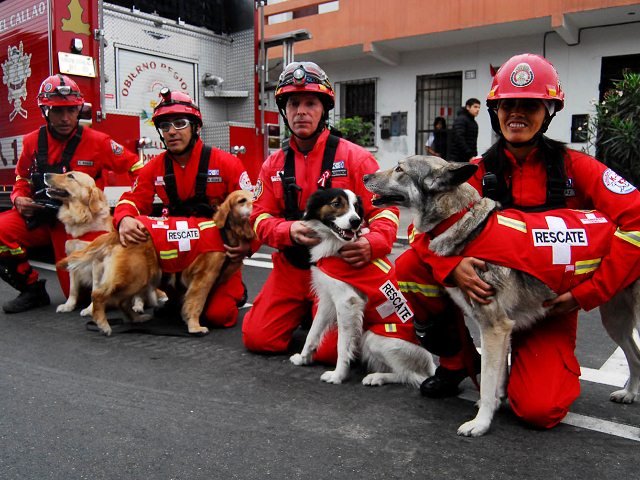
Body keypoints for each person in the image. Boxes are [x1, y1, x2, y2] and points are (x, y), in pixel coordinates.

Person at [395, 53, 640, 429]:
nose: (517, 114)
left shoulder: (579, 168)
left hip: (553, 303)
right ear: (495, 112)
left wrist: (590, 292)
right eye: (508, 105)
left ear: (549, 112)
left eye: (530, 105)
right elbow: (421, 229)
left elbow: (636, 219)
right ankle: (457, 362)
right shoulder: (474, 172)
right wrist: (451, 266)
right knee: (411, 267)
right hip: (493, 296)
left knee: (539, 410)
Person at [242, 61, 399, 362]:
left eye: (310, 103)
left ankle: (320, 318)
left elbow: (386, 211)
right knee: (258, 338)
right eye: (294, 103)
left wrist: (372, 243)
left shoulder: (356, 158)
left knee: (328, 354)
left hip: (338, 270)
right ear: (285, 111)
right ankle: (303, 312)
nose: (301, 111)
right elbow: (258, 217)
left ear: (323, 109)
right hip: (291, 268)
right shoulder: (272, 165)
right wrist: (286, 231)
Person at [0, 74, 143, 313]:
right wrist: (19, 199)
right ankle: (32, 289)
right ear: (45, 111)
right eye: (57, 111)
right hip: (42, 218)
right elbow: (22, 178)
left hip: (80, 224)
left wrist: (131, 207)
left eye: (71, 110)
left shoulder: (98, 141)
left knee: (79, 294)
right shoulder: (31, 142)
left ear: (79, 110)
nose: (65, 118)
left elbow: (138, 169)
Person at [113, 88, 255, 328]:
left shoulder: (227, 163)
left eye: (179, 123)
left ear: (195, 127)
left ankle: (233, 289)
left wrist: (248, 246)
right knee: (169, 312)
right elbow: (132, 199)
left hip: (217, 257)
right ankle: (178, 293)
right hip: (178, 254)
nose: (171, 132)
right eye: (165, 126)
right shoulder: (154, 168)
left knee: (219, 316)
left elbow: (255, 208)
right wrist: (124, 219)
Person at [447, 97, 480, 162]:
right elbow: (459, 138)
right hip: (458, 158)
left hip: (468, 158)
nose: (478, 109)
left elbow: (473, 142)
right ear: (468, 107)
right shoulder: (461, 120)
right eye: (475, 107)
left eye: (479, 107)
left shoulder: (473, 122)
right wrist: (470, 155)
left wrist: (474, 155)